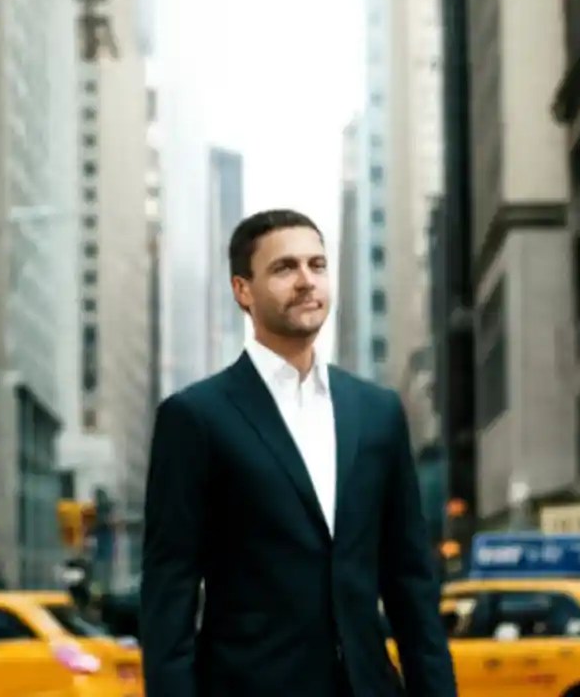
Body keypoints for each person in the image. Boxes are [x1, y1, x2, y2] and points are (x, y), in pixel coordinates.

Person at [140, 209, 456, 697]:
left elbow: (409, 580)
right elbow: (170, 593)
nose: (307, 280)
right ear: (243, 290)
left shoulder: (378, 412)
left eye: (317, 265)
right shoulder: (195, 417)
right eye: (285, 268)